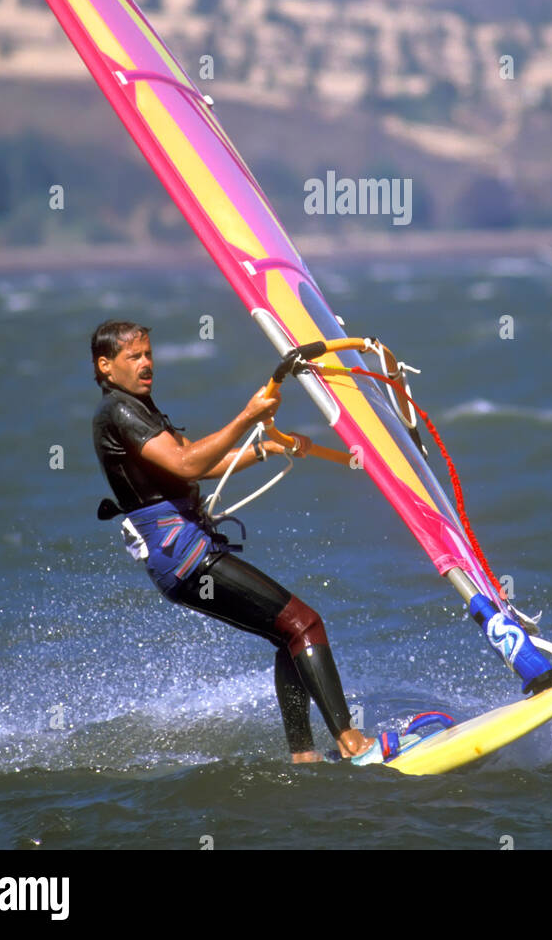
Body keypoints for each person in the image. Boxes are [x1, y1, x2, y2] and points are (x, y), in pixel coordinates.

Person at [90, 319, 375, 763]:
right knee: (306, 623)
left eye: (149, 353)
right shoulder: (119, 412)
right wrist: (248, 417)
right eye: (134, 357)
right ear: (106, 366)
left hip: (184, 554)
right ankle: (351, 741)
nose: (147, 363)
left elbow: (199, 465)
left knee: (288, 635)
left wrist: (263, 450)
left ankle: (305, 756)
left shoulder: (138, 407)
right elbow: (185, 464)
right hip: (185, 557)